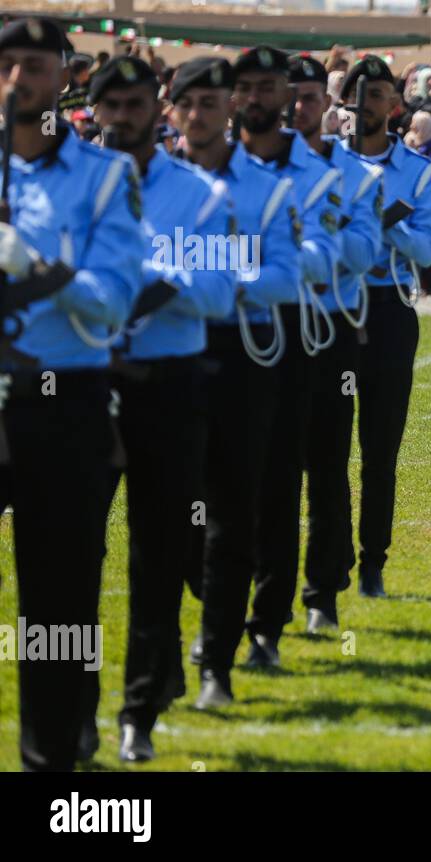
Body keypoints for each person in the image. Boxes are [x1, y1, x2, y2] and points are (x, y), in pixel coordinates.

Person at [0, 16, 145, 771]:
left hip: (62, 403)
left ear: (65, 75)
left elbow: (114, 302)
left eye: (36, 63)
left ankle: (53, 760)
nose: (20, 78)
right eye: (7, 64)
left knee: (56, 604)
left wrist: (35, 268)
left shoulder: (104, 178)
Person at [88, 54, 237, 761]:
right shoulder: (67, 188)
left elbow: (220, 294)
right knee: (73, 553)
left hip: (168, 384)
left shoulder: (205, 197)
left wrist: (149, 274)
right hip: (84, 381)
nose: (123, 117)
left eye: (136, 104)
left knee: (159, 552)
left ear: (160, 111)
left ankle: (139, 710)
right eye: (109, 105)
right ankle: (72, 703)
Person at [168, 56, 302, 710]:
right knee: (168, 511)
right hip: (167, 355)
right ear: (174, 113)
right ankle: (171, 644)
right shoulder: (151, 182)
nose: (198, 115)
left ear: (229, 111)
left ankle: (217, 658)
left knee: (234, 510)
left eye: (210, 102)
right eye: (185, 103)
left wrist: (219, 283)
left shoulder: (267, 189)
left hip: (242, 352)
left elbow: (287, 276)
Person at [246, 53, 384, 662]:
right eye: (290, 96)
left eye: (309, 97)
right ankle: (254, 586)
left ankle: (322, 590)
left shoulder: (351, 176)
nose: (299, 108)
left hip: (325, 331)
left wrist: (296, 257)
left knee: (326, 467)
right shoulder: (247, 169)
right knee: (256, 467)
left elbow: (364, 251)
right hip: (258, 328)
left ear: (326, 105)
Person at [339, 55, 431, 598]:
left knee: (380, 451)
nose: (366, 103)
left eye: (377, 94)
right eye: (358, 92)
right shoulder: (325, 163)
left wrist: (383, 219)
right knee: (325, 447)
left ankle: (372, 562)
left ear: (395, 105)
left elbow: (428, 248)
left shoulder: (419, 171)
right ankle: (329, 567)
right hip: (335, 307)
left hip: (388, 310)